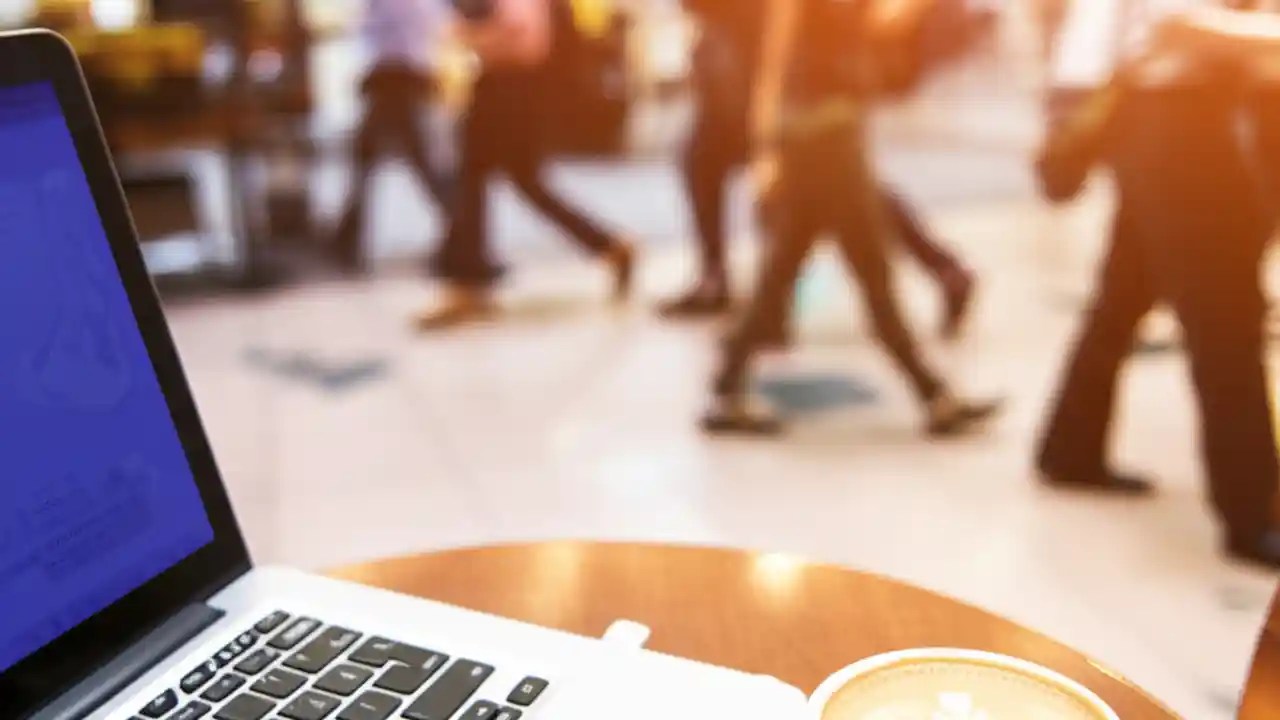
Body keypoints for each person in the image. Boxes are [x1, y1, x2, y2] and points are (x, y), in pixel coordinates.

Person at [1037, 1, 1280, 568]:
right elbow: (1179, 24)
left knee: (1123, 296)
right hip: (1176, 124)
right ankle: (1254, 512)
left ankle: (1070, 448)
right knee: (1225, 314)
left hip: (1164, 120)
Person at [702, 0, 1001, 436]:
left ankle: (727, 384)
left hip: (828, 130)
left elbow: (877, 22)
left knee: (784, 267)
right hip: (821, 137)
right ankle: (933, 394)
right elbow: (778, 52)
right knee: (869, 270)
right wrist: (764, 145)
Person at [663, 0, 977, 341]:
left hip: (781, 78)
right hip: (765, 71)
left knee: (825, 188)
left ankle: (758, 311)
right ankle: (745, 302)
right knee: (819, 187)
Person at [420, 0, 634, 328]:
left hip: (508, 90)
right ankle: (609, 245)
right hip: (510, 89)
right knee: (521, 183)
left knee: (475, 180)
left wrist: (469, 38)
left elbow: (524, 37)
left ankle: (468, 285)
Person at [333, 0, 456, 272]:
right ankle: (345, 240)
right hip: (400, 78)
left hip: (396, 79)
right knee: (384, 162)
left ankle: (464, 234)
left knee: (413, 164)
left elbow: (386, 38)